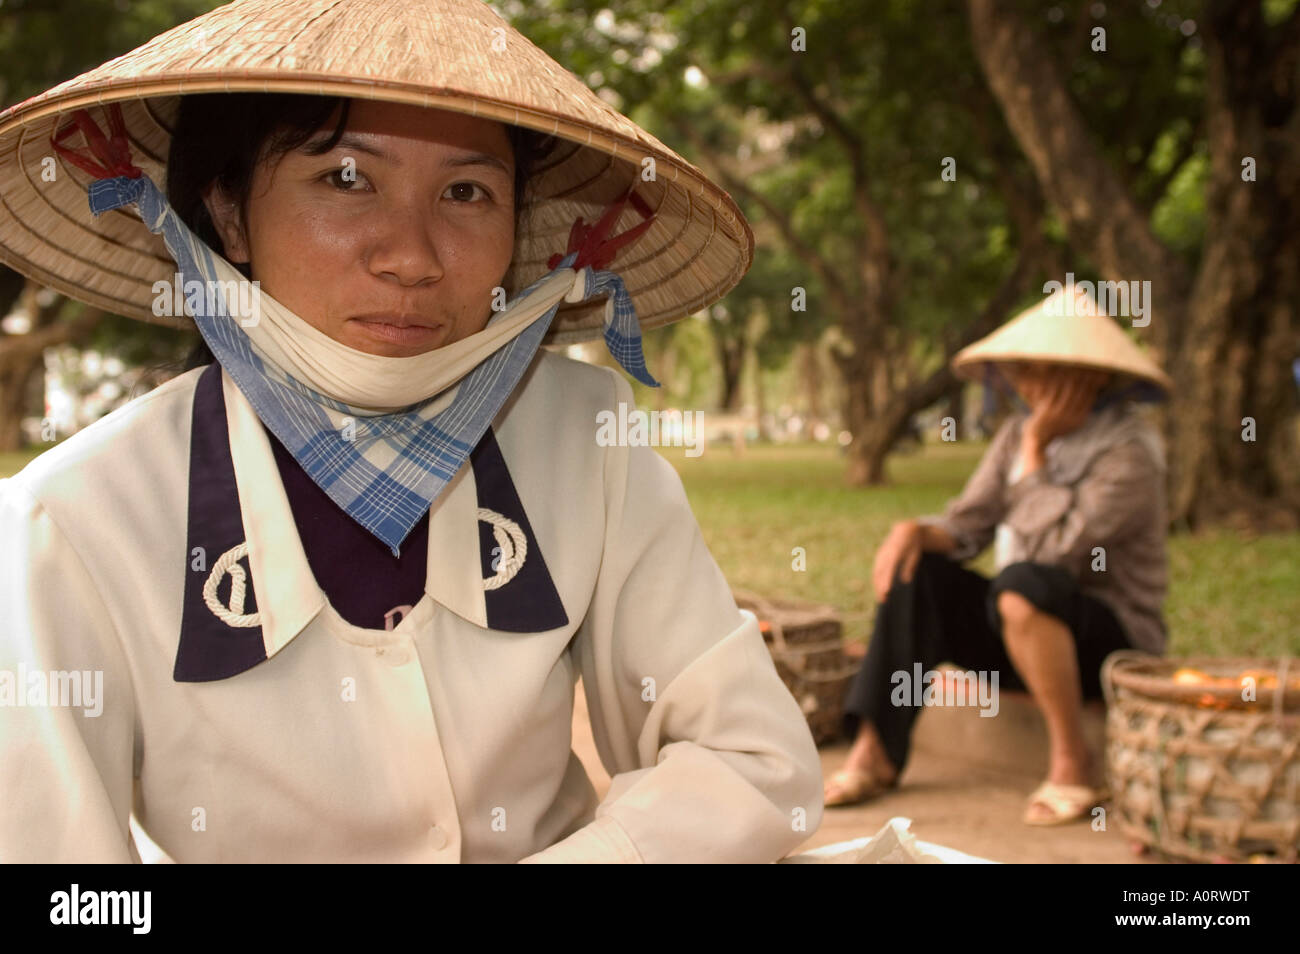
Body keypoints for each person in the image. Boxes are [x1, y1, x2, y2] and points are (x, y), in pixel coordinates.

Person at [0, 0, 822, 863]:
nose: (413, 256)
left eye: (466, 192)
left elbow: (753, 761)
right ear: (231, 214)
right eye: (346, 178)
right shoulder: (73, 524)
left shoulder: (586, 444)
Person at [824, 285, 1172, 824]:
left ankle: (1073, 763)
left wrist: (1036, 453)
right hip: (1020, 628)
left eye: (1050, 370)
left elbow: (1051, 554)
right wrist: (916, 532)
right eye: (1024, 369)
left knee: (1023, 585)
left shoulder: (1129, 453)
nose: (1031, 385)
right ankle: (875, 753)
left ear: (1093, 377)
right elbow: (970, 522)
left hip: (1105, 642)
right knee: (918, 572)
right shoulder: (1016, 433)